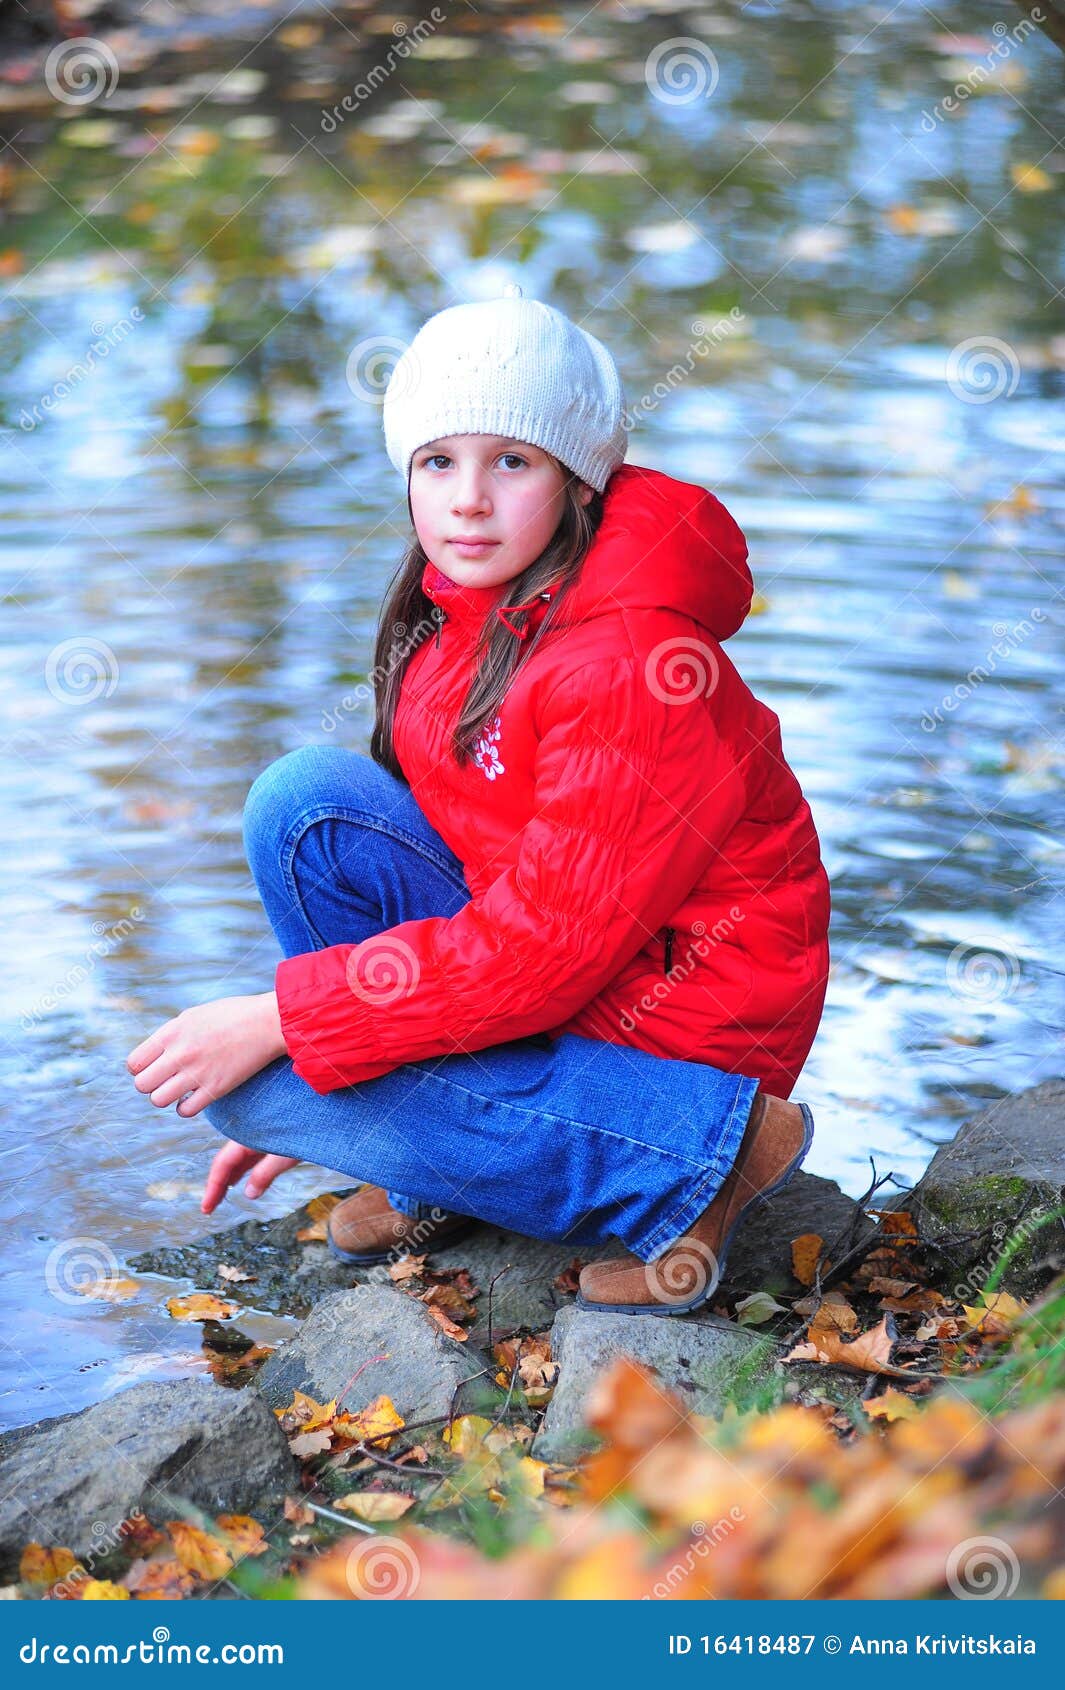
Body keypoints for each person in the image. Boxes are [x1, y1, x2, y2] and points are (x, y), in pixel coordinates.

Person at [125, 286, 831, 1316]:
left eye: (512, 461)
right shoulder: (464, 615)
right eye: (437, 461)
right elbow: (492, 896)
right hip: (576, 978)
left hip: (676, 1032)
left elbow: (540, 954)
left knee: (256, 1084)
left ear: (577, 483)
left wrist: (296, 1030)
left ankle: (700, 1157)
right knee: (305, 807)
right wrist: (353, 1080)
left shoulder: (629, 661)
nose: (467, 500)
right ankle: (438, 1171)